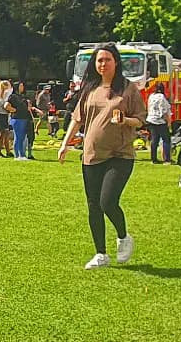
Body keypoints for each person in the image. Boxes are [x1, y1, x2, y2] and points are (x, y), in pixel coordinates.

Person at [57, 44, 144, 270]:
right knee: (93, 205)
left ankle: (123, 237)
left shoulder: (128, 89)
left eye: (107, 59)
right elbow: (77, 119)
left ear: (116, 62)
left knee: (108, 202)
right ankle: (100, 254)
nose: (103, 64)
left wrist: (125, 120)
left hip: (120, 154)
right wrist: (65, 144)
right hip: (92, 154)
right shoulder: (89, 89)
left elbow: (140, 120)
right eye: (99, 60)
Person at [145, 82, 173, 164]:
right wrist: (168, 122)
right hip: (160, 121)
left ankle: (154, 159)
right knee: (166, 140)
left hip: (151, 119)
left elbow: (148, 108)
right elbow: (163, 111)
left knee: (154, 140)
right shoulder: (162, 97)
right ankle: (167, 159)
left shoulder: (151, 96)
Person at [7, 80, 35, 161]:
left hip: (24, 118)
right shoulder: (13, 96)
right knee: (18, 137)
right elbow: (7, 105)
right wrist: (14, 110)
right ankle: (17, 155)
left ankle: (22, 154)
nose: (22, 87)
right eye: (21, 86)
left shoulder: (22, 96)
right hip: (17, 118)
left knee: (22, 137)